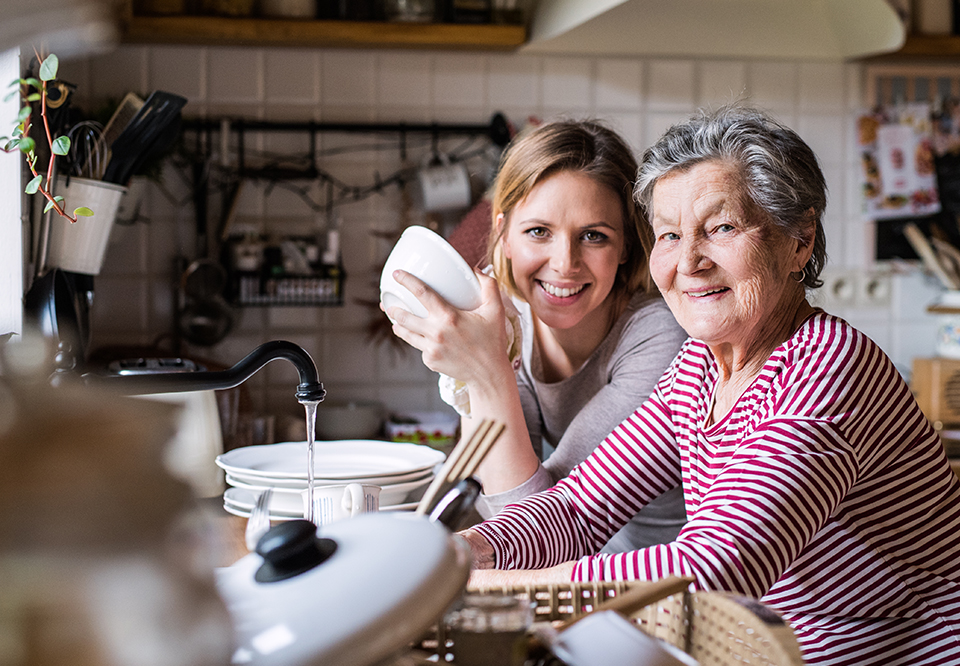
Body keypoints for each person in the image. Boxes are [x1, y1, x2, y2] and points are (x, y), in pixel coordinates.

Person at [457, 105, 960, 666]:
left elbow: (712, 570)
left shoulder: (828, 369)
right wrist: (469, 551)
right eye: (670, 235)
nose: (689, 262)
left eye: (720, 228)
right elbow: (580, 508)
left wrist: (495, 588)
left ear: (799, 239)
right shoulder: (699, 366)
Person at [386, 120, 689, 551]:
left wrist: (485, 370)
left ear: (625, 247)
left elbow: (539, 529)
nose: (565, 262)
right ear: (504, 234)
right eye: (538, 232)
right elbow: (503, 514)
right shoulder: (508, 320)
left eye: (593, 236)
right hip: (573, 579)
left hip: (658, 587)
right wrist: (473, 371)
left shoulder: (658, 338)